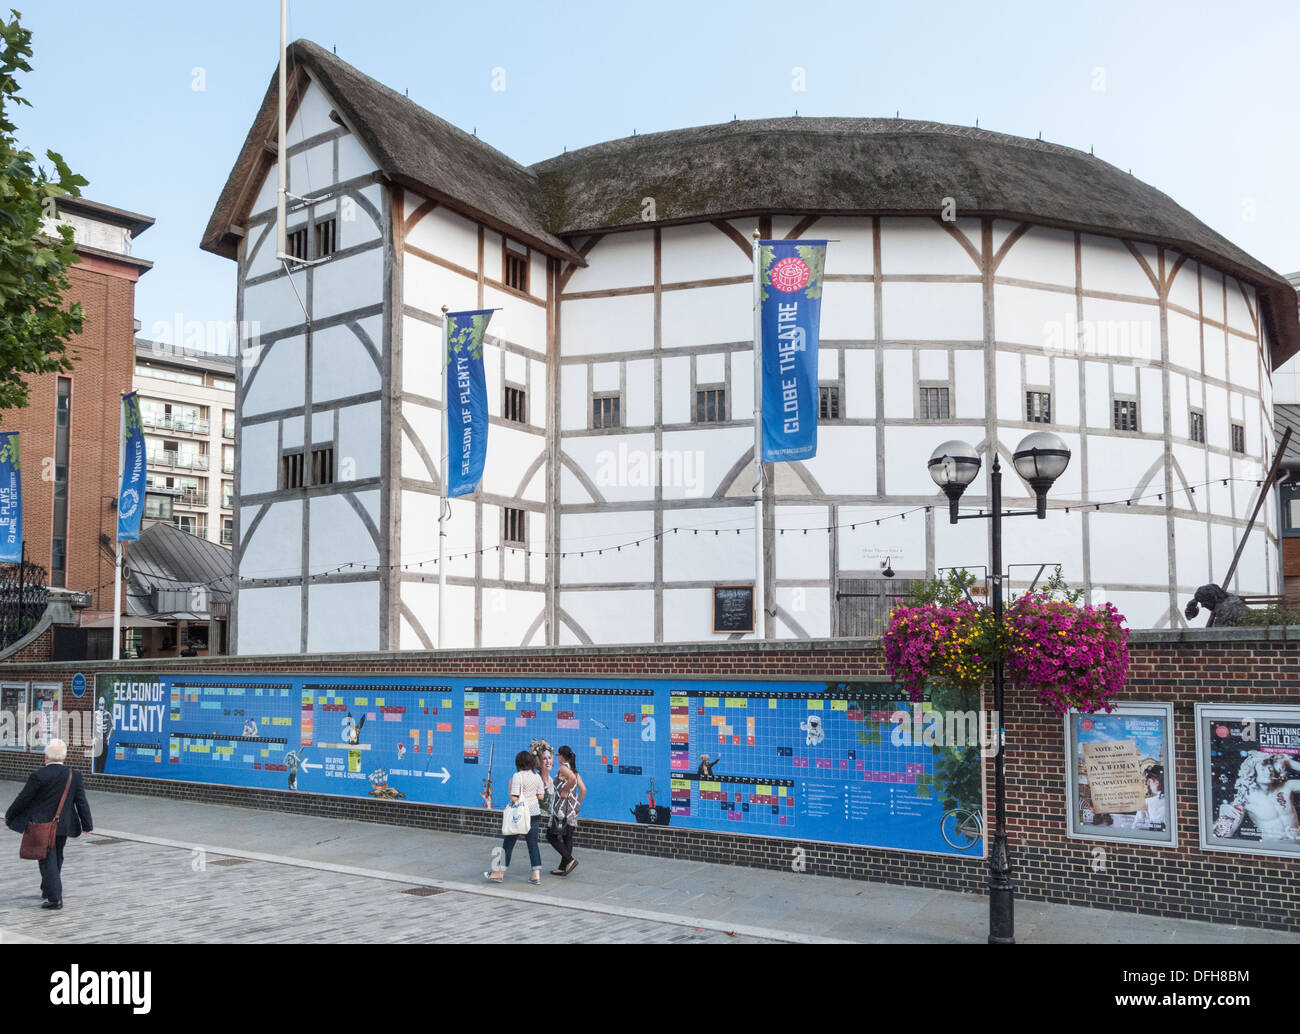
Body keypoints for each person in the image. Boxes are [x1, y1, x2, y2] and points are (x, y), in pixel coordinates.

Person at [4, 739, 94, 910]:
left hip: (43, 825)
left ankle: (55, 898)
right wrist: (87, 824)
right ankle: (49, 888)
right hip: (64, 825)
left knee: (46, 859)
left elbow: (23, 799)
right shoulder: (73, 775)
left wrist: (10, 815)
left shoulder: (39, 776)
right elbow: (81, 801)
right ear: (64, 756)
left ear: (46, 756)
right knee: (57, 856)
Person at [485, 750, 545, 885]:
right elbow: (541, 796)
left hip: (520, 814)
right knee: (532, 844)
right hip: (534, 813)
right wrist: (530, 797)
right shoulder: (537, 777)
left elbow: (514, 798)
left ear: (518, 763)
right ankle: (536, 875)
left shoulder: (517, 776)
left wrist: (510, 786)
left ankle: (499, 873)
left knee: (508, 843)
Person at [547, 745, 587, 877]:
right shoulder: (575, 770)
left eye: (558, 754)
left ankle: (570, 860)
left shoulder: (563, 768)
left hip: (562, 810)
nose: (557, 757)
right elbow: (583, 790)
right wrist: (577, 804)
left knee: (551, 835)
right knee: (567, 837)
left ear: (562, 756)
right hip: (571, 810)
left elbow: (572, 780)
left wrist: (564, 791)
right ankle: (564, 867)